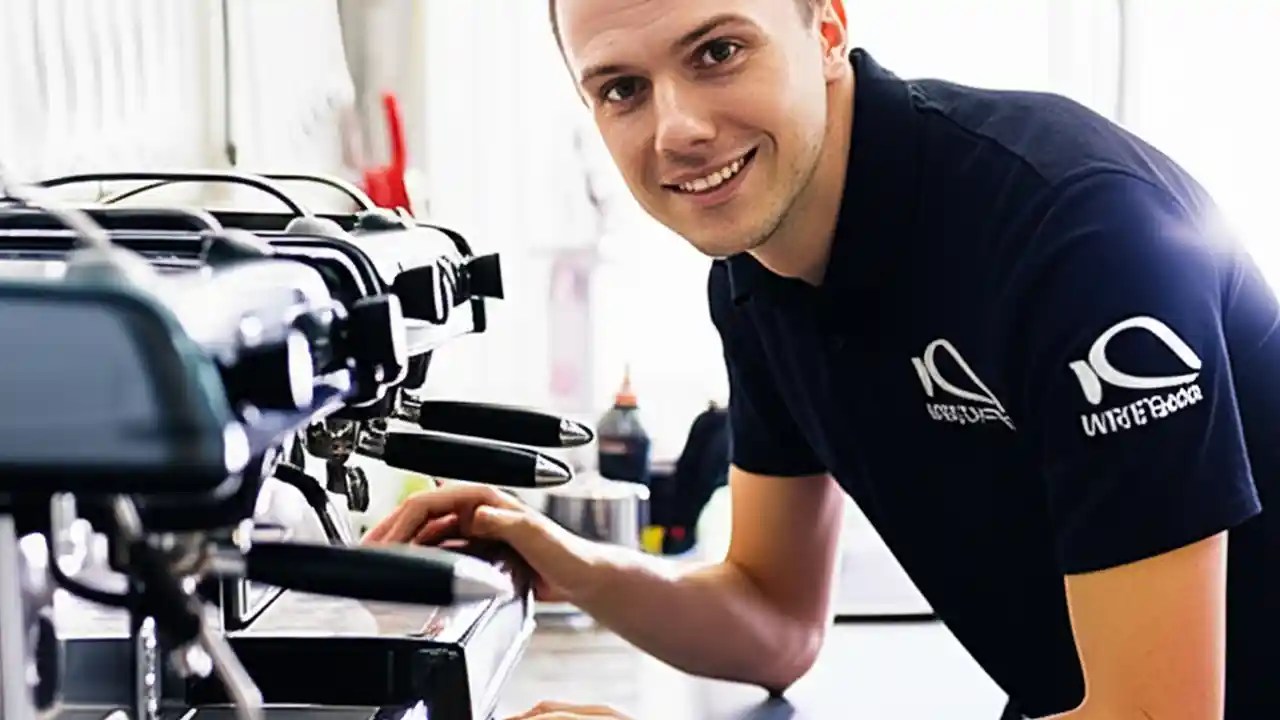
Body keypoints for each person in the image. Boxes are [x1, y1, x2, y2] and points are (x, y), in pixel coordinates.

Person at [364, 0, 1280, 717]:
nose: (676, 128)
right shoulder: (752, 280)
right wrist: (566, 563)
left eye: (718, 51)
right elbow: (774, 622)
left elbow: (1154, 715)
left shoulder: (1075, 232)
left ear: (829, 26)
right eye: (621, 89)